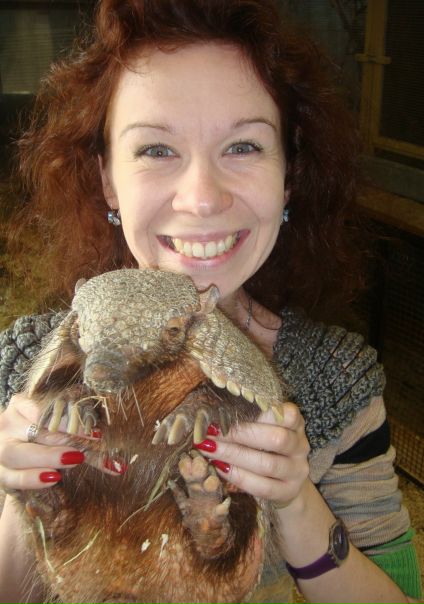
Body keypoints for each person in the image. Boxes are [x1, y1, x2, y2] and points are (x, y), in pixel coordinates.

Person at [0, 0, 421, 602]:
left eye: (243, 146)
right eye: (156, 149)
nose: (201, 198)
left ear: (288, 176)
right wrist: (21, 493)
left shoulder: (336, 381)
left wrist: (296, 502)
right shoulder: (20, 364)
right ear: (107, 179)